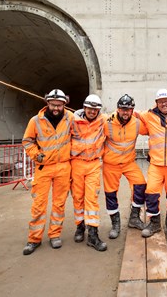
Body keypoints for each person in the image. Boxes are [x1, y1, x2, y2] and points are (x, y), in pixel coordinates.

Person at [21, 89, 73, 255]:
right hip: (44, 168)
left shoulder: (70, 118)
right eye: (53, 105)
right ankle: (34, 239)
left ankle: (55, 234)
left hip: (63, 167)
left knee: (59, 204)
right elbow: (27, 141)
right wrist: (37, 155)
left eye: (59, 105)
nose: (56, 108)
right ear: (47, 103)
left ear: (65, 104)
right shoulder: (35, 121)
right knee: (39, 204)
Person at [137, 89, 167, 239]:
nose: (164, 104)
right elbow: (132, 112)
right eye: (160, 101)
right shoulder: (149, 115)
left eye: (166, 101)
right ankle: (154, 223)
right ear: (156, 103)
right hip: (156, 165)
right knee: (151, 193)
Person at [103, 94, 148, 239]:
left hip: (129, 163)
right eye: (122, 109)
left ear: (133, 110)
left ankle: (134, 218)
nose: (125, 112)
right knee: (110, 194)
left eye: (128, 109)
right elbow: (90, 123)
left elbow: (155, 130)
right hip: (111, 165)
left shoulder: (136, 123)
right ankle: (115, 224)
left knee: (140, 185)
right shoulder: (107, 122)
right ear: (117, 109)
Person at [71, 94, 108, 251]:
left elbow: (121, 116)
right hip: (77, 164)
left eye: (95, 109)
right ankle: (80, 227)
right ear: (84, 108)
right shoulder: (72, 121)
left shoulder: (103, 120)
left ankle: (93, 234)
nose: (92, 112)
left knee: (91, 199)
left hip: (93, 164)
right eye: (90, 109)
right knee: (78, 198)